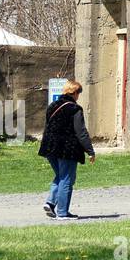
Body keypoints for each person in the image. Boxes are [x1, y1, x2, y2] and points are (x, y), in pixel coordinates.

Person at [37, 80, 96, 220]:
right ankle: (62, 212)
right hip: (66, 149)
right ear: (74, 92)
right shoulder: (74, 108)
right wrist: (90, 151)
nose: (78, 96)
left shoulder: (52, 106)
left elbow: (48, 126)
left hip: (50, 147)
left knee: (61, 176)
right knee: (67, 180)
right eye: (78, 93)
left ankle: (50, 203)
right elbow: (81, 132)